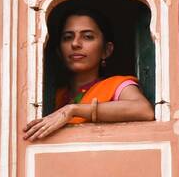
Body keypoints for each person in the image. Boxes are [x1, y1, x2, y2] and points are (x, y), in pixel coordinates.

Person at [22, 8, 154, 141]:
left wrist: (73, 110)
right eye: (68, 37)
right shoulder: (54, 97)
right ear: (59, 51)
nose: (75, 44)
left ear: (106, 50)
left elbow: (144, 110)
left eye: (88, 37)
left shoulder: (116, 86)